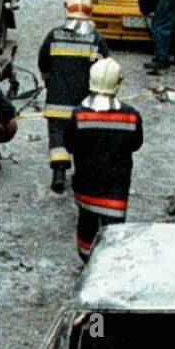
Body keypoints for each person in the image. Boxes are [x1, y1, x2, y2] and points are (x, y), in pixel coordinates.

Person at [64, 58, 143, 261]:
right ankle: (107, 264)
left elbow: (69, 145)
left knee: (86, 226)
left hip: (86, 186)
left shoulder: (79, 116)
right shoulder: (131, 116)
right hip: (116, 189)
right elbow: (136, 144)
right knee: (114, 234)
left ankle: (86, 261)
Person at [37, 0, 109, 193]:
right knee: (83, 137)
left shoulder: (54, 35)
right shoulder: (95, 39)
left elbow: (43, 62)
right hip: (84, 102)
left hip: (57, 100)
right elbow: (100, 67)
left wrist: (48, 80)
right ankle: (83, 175)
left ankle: (59, 172)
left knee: (58, 137)